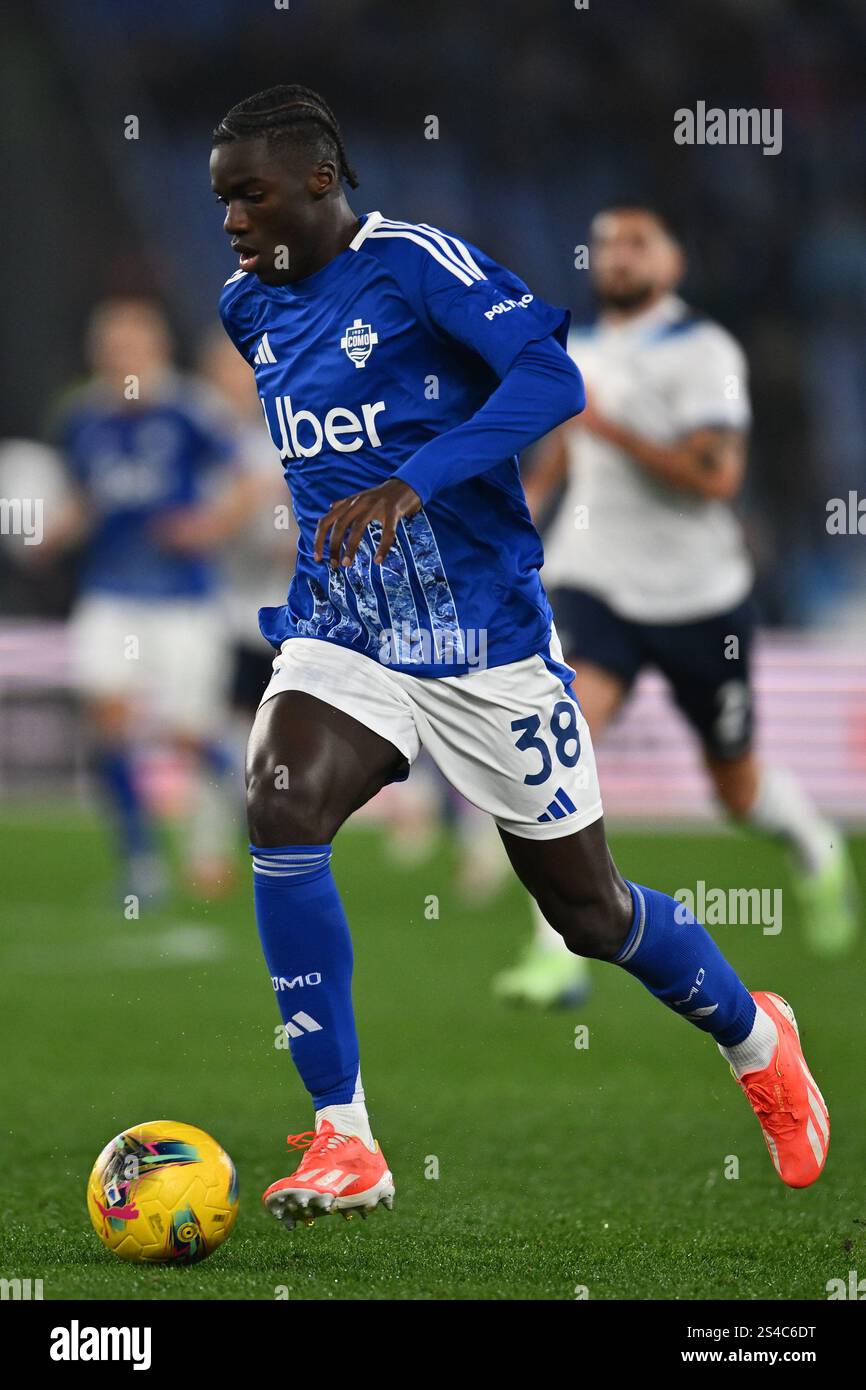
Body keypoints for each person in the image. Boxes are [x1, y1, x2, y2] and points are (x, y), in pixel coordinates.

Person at [210, 85, 830, 1227]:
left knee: (589, 916)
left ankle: (755, 1036)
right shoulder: (247, 307)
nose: (234, 224)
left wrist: (415, 480)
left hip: (485, 642)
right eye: (219, 202)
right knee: (281, 804)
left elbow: (553, 381)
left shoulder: (414, 264)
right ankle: (344, 1139)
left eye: (250, 196)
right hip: (349, 630)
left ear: (317, 181)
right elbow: (320, 457)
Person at [495, 207, 858, 1008]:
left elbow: (717, 475)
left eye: (637, 242)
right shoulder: (577, 349)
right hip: (596, 585)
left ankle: (817, 849)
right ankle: (556, 953)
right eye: (607, 242)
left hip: (701, 599)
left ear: (674, 259)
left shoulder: (704, 352)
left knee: (735, 789)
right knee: (557, 747)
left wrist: (611, 429)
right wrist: (496, 532)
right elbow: (556, 459)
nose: (618, 256)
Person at [45, 298, 242, 901]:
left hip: (184, 597)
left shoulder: (192, 411)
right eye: (110, 347)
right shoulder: (81, 418)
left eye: (131, 346)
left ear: (155, 351)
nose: (120, 358)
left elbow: (256, 473)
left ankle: (248, 788)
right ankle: (141, 862)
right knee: (108, 718)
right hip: (111, 590)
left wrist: (212, 524)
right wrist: (55, 531)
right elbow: (84, 495)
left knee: (187, 734)